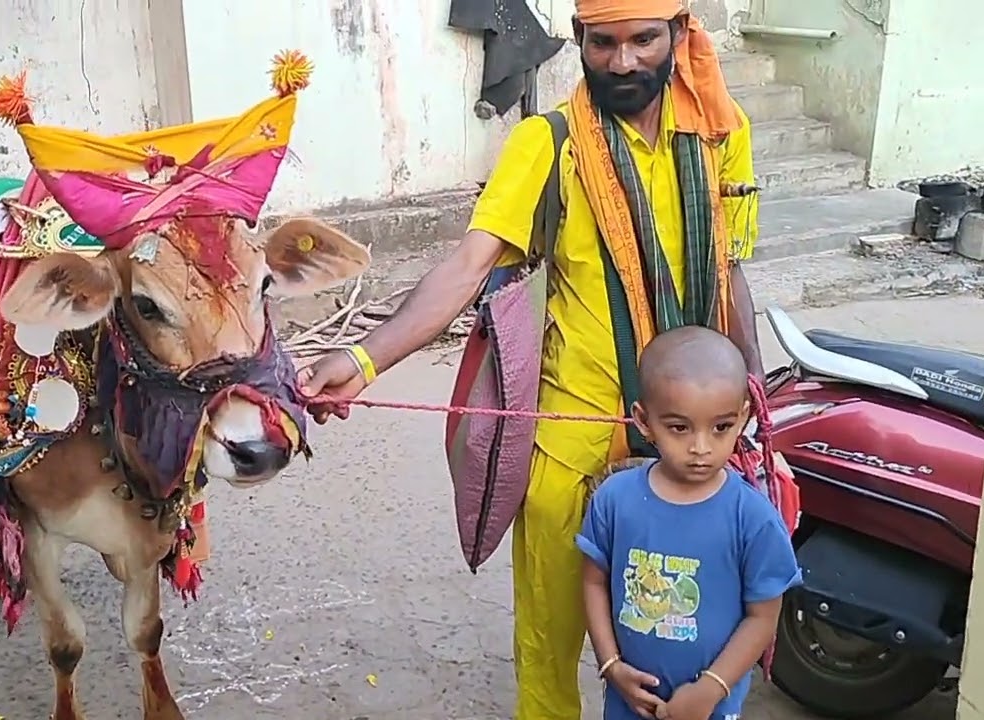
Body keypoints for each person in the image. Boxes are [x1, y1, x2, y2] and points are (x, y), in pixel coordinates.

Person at [298, 0, 763, 716]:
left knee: (684, 643)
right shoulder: (548, 145)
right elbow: (465, 268)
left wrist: (754, 394)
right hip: (571, 451)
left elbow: (730, 271)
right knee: (549, 652)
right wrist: (362, 360)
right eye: (603, 42)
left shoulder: (721, 136)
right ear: (578, 39)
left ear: (680, 33)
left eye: (644, 39)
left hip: (690, 446)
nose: (624, 61)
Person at [577, 325, 800, 720]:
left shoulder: (753, 518)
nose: (701, 447)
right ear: (644, 422)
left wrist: (711, 689)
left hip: (711, 706)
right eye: (679, 428)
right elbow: (594, 581)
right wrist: (611, 666)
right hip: (630, 701)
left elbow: (763, 617)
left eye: (721, 428)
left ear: (743, 417)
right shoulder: (614, 500)